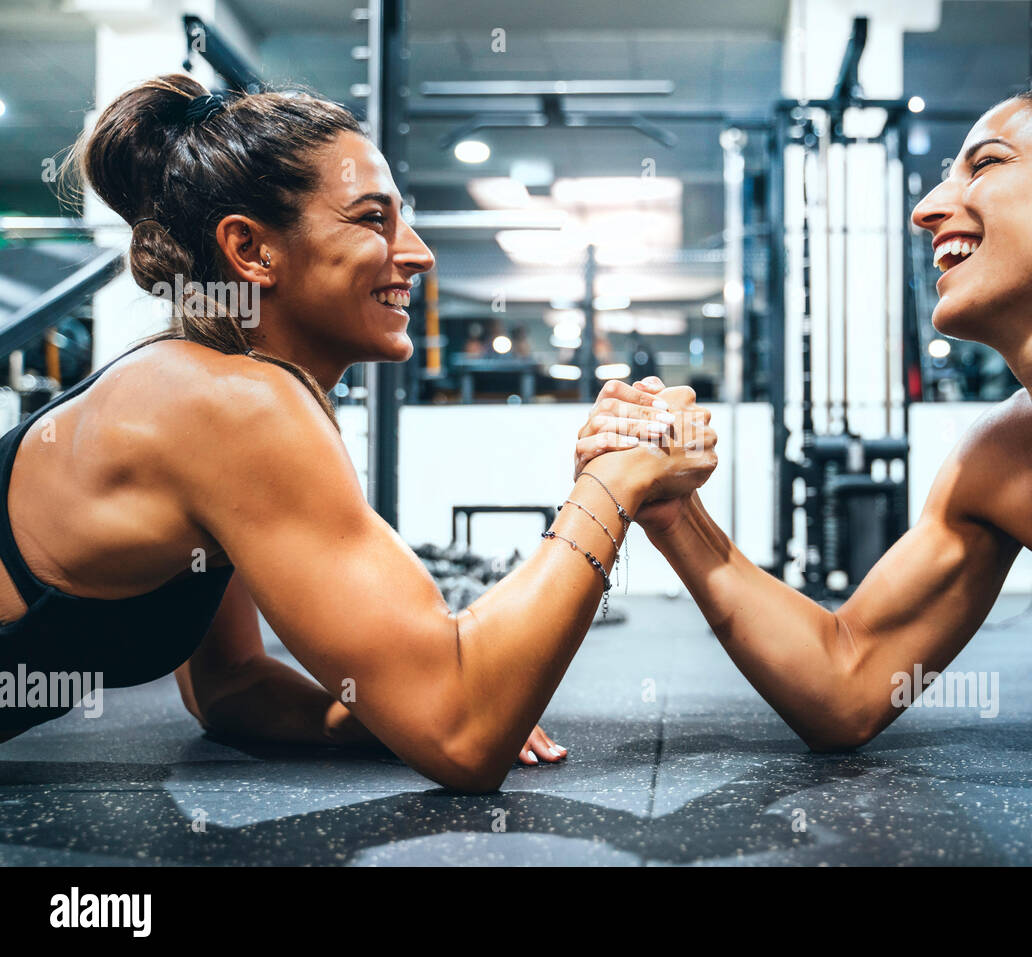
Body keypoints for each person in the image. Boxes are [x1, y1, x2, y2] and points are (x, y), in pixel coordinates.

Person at [0, 74, 717, 794]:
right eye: (374, 219)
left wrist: (383, 714)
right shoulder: (229, 403)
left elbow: (232, 684)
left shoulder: (210, 386)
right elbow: (466, 734)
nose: (418, 253)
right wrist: (614, 480)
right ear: (251, 250)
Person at [577, 84, 1032, 749]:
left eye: (983, 165)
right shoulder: (1006, 468)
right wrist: (676, 514)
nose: (926, 208)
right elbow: (848, 679)